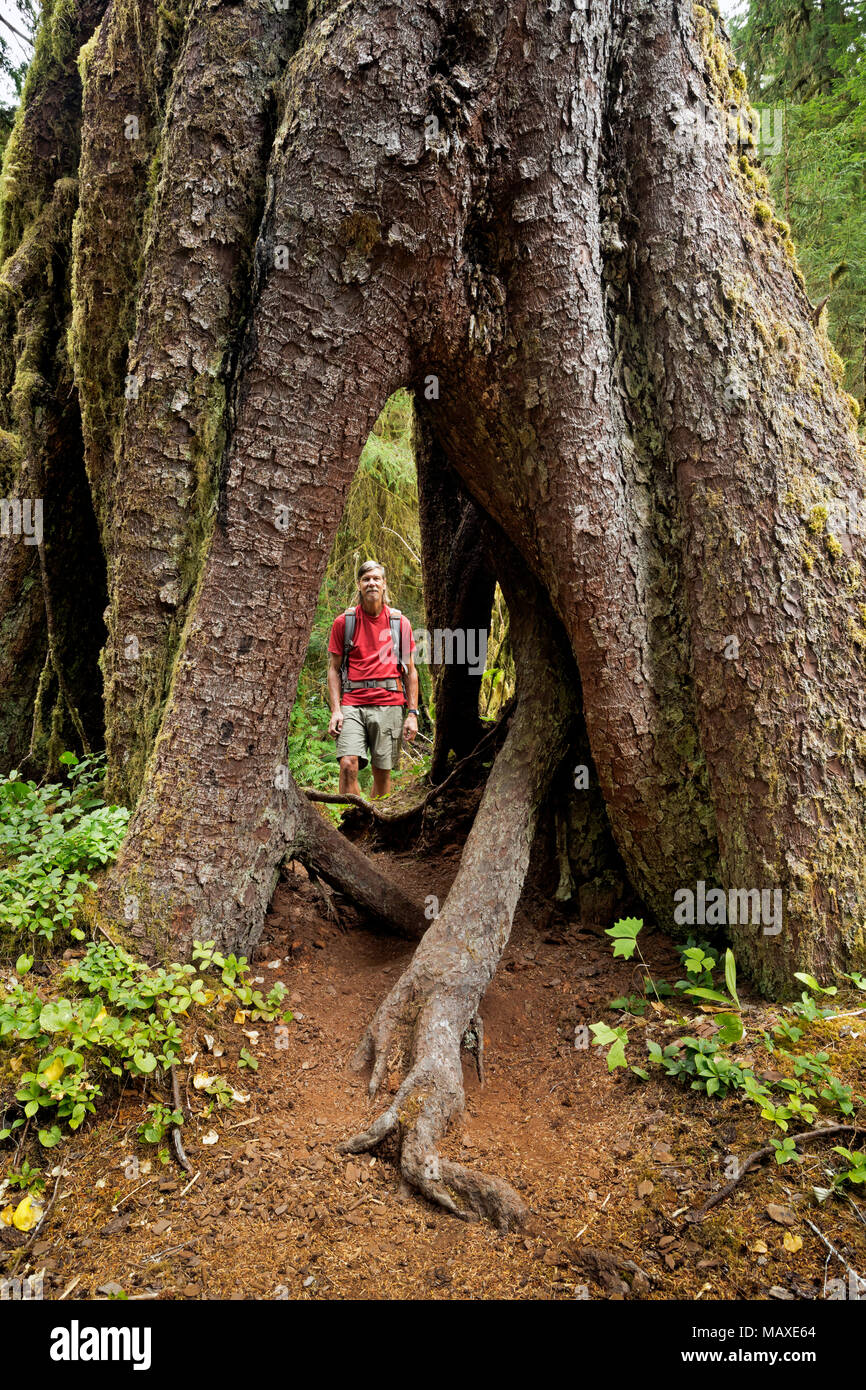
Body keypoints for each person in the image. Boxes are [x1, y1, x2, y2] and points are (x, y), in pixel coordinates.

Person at [327, 560, 419, 799]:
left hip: (389, 703)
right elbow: (334, 669)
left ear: (384, 584)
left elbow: (411, 671)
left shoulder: (399, 623)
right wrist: (336, 710)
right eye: (366, 579)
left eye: (376, 578)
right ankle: (352, 823)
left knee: (382, 773)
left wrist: (412, 714)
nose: (372, 583)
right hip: (352, 704)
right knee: (347, 764)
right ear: (359, 584)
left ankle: (376, 828)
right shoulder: (344, 623)